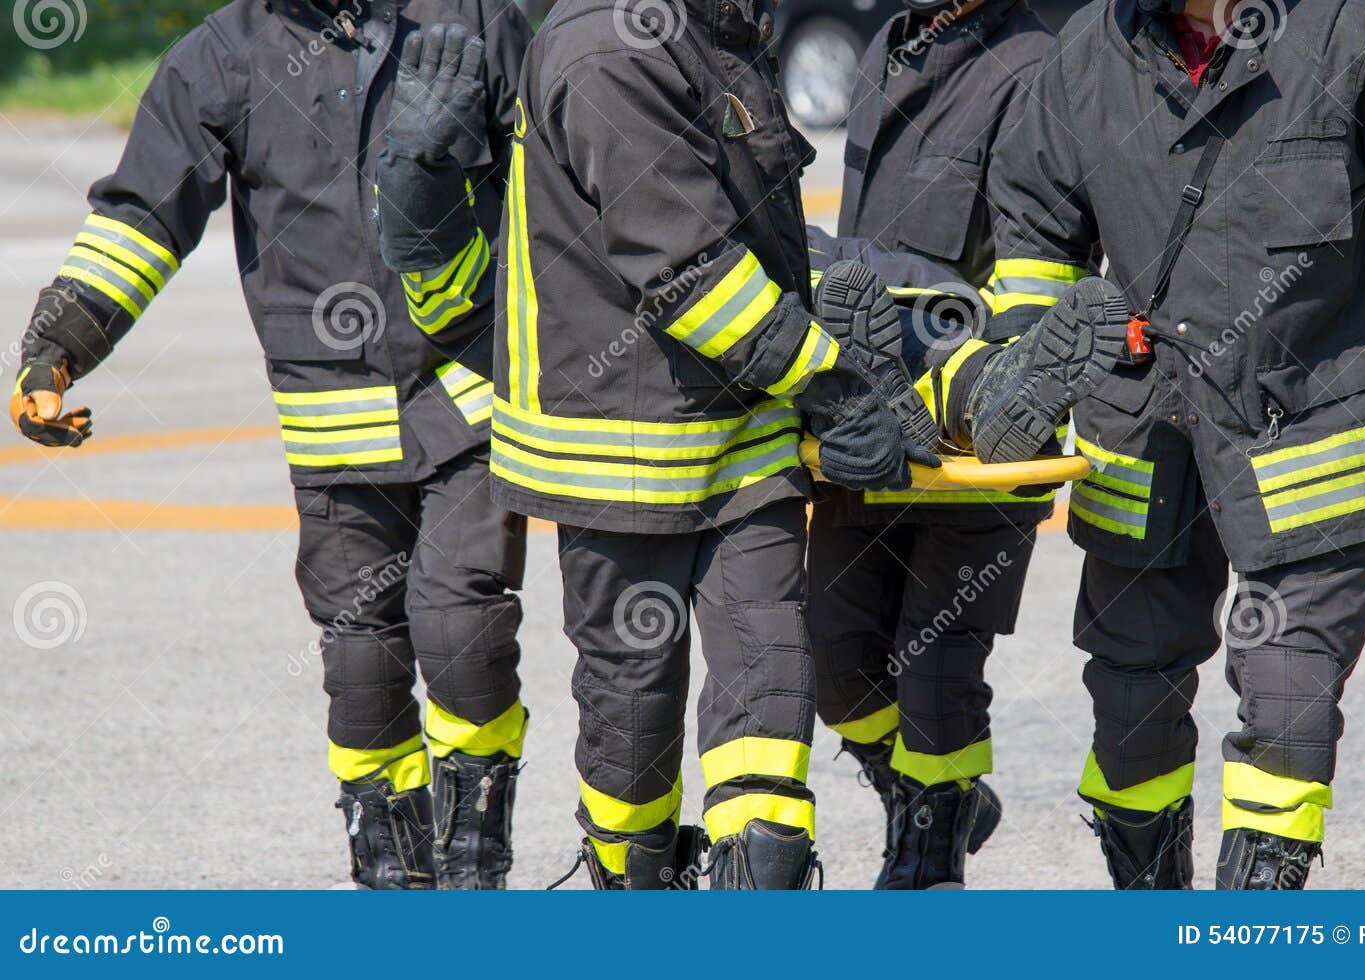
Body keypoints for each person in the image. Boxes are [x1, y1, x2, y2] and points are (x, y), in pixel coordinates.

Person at [987, 0, 1365, 888]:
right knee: (1129, 696)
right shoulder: (1088, 60)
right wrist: (1031, 361)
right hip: (1145, 438)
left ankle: (1255, 918)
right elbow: (1035, 227)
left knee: (1285, 692)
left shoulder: (1345, 40)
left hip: (1314, 433)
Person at [8, 0, 535, 889]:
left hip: (469, 404)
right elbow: (141, 217)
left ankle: (473, 868)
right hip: (332, 421)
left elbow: (557, 174)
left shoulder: (472, 16)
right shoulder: (221, 57)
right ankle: (394, 882)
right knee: (361, 664)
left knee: (462, 632)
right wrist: (56, 350)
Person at [492, 0, 944, 890]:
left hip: (748, 440)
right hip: (623, 455)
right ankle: (636, 888)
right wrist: (832, 383)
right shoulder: (604, 46)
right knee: (629, 725)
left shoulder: (716, 27)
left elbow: (761, 238)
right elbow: (686, 266)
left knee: (770, 704)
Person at [802, 0, 1061, 889]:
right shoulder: (892, 43)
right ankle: (928, 795)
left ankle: (927, 859)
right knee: (833, 656)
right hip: (867, 411)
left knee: (937, 662)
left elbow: (1039, 270)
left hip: (977, 420)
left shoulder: (1032, 67)